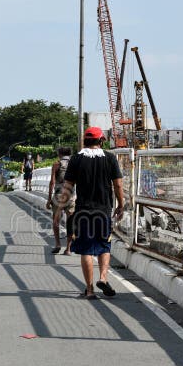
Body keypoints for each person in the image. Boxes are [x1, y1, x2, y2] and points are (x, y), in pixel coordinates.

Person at [59, 127, 124, 299]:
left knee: (86, 250)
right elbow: (118, 185)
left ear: (85, 141)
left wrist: (61, 205)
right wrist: (121, 204)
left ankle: (89, 290)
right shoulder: (110, 158)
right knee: (104, 245)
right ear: (101, 140)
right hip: (103, 210)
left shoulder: (76, 159)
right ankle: (103, 278)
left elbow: (68, 185)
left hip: (83, 210)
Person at [45, 147, 75, 255]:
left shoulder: (57, 164)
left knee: (56, 220)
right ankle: (68, 248)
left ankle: (58, 244)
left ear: (60, 154)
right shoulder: (73, 164)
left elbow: (52, 182)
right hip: (70, 195)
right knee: (70, 221)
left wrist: (49, 199)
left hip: (59, 195)